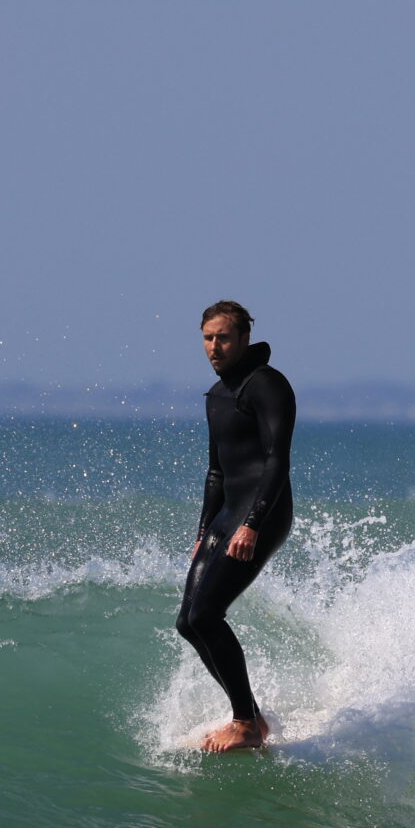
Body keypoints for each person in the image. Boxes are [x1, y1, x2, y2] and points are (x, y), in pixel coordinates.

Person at [177, 300, 296, 752]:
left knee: (207, 614)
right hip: (227, 516)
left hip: (263, 515)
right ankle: (252, 718)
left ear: (244, 338)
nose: (214, 346)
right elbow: (216, 474)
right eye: (208, 338)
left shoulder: (267, 386)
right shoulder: (217, 395)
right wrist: (203, 531)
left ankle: (245, 722)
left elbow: (276, 460)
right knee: (188, 622)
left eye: (223, 337)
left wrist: (251, 524)